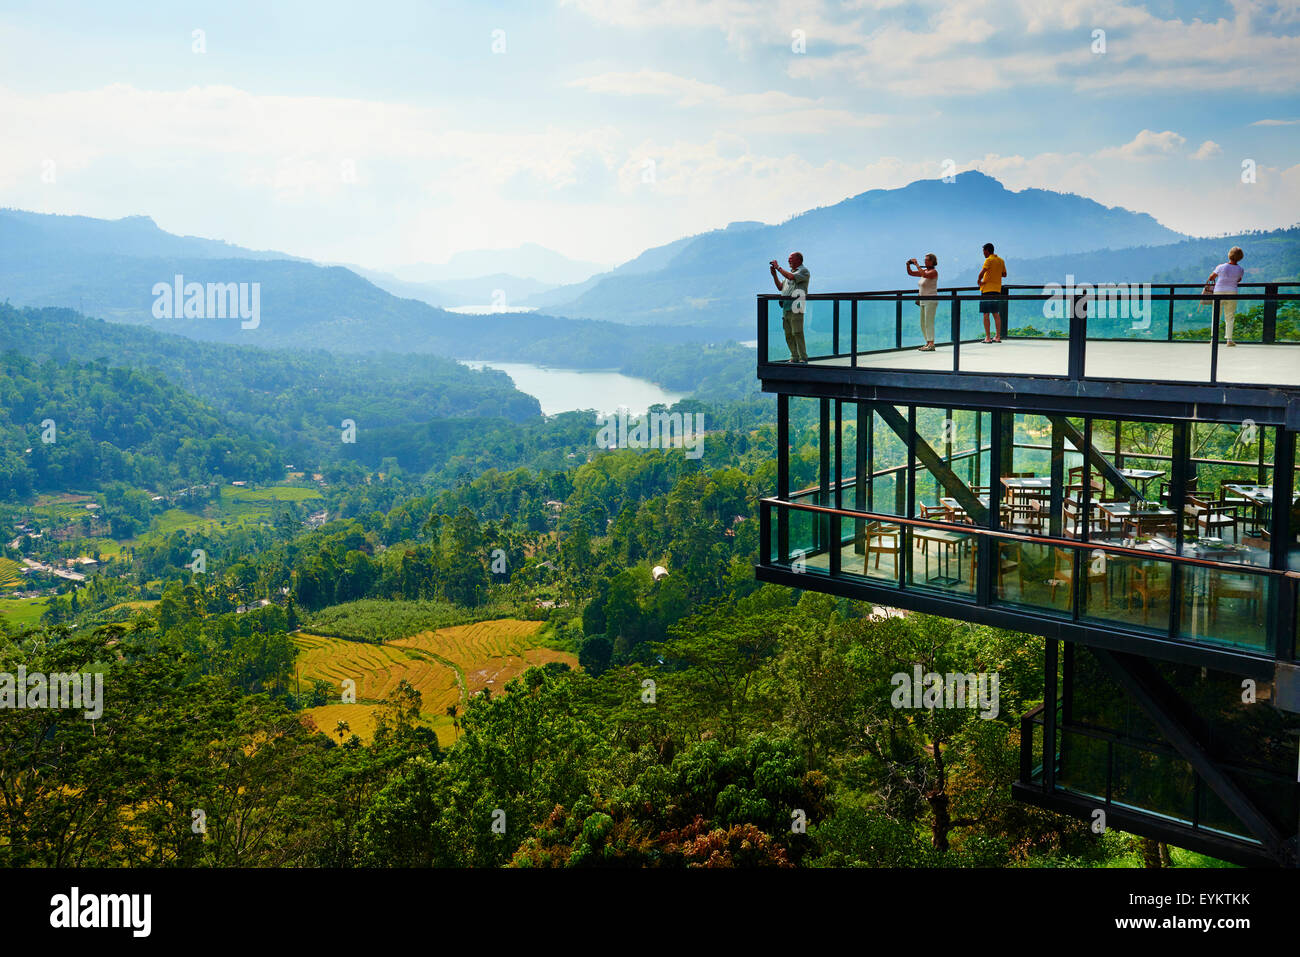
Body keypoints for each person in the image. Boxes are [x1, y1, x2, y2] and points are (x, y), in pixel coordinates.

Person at [771, 252, 810, 362]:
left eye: (791, 259)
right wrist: (774, 275)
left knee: (797, 332)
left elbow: (791, 277)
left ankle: (803, 357)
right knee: (788, 334)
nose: (789, 261)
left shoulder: (803, 271)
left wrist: (778, 268)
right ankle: (794, 356)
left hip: (797, 306)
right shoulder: (788, 274)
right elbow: (780, 287)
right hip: (786, 308)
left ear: (799, 260)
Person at [1205, 246, 1245, 346]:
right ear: (1240, 257)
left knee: (1216, 315)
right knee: (1230, 316)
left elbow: (1211, 277)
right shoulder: (1240, 269)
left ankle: (1213, 339)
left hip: (1218, 292)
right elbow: (1238, 280)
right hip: (1232, 292)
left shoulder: (1221, 267)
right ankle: (1229, 340)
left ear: (1229, 255)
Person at [906, 254, 939, 351]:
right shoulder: (924, 270)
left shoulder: (933, 272)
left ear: (932, 261)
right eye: (924, 260)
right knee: (923, 323)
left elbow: (924, 275)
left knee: (929, 322)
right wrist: (908, 265)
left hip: (931, 300)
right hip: (923, 300)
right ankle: (928, 342)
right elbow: (911, 273)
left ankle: (931, 343)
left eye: (927, 260)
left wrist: (916, 264)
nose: (925, 262)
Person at [977, 242, 1007, 343]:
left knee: (986, 314)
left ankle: (988, 338)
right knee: (996, 313)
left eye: (983, 251)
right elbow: (1004, 274)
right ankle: (998, 337)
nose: (983, 253)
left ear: (987, 251)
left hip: (986, 290)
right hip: (997, 290)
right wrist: (995, 273)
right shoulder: (1000, 260)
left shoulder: (988, 260)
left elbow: (982, 272)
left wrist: (979, 281)